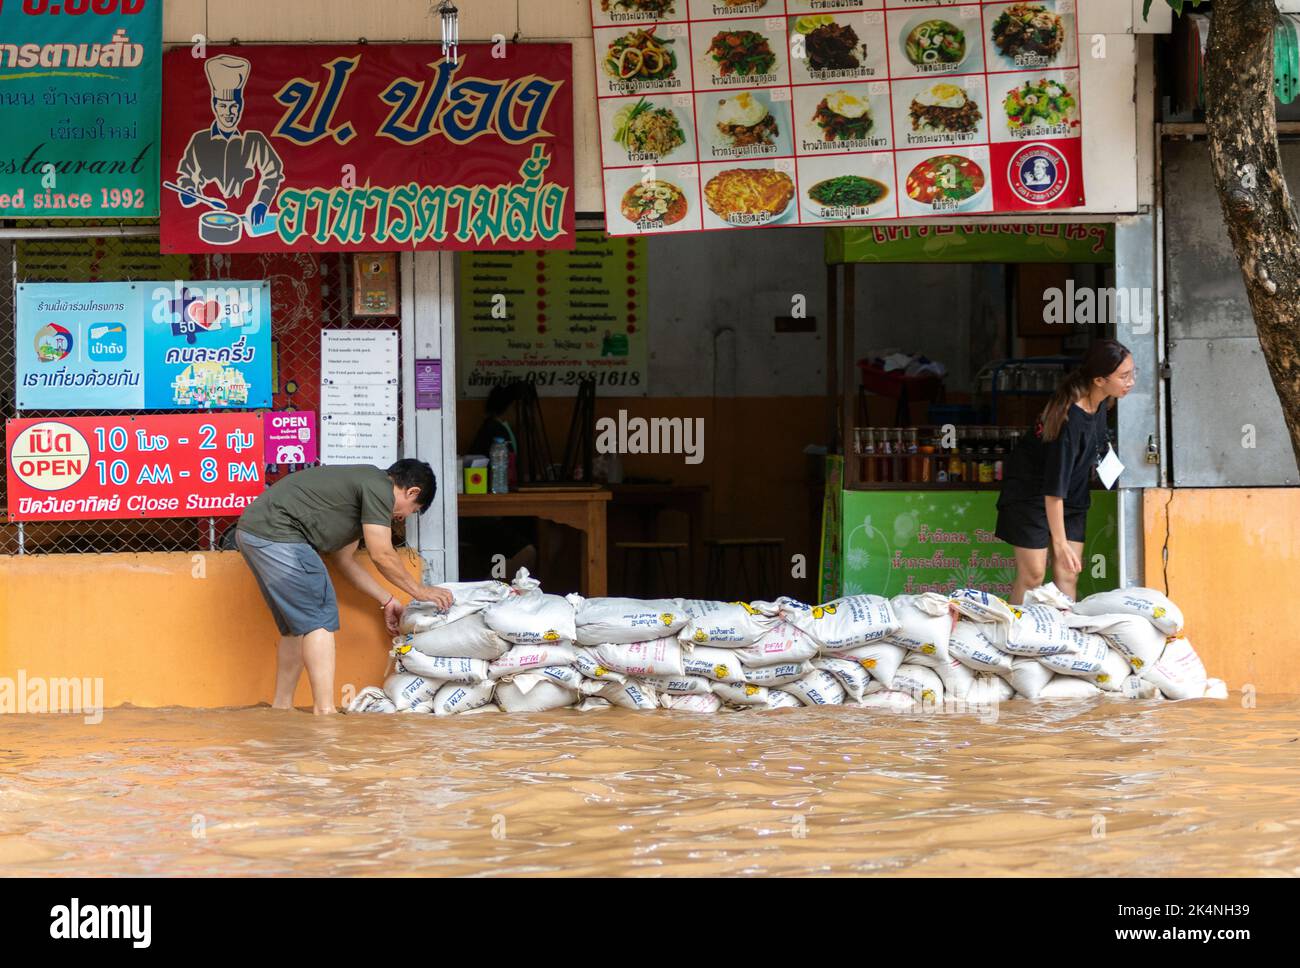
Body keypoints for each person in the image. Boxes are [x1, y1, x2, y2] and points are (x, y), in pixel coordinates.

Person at [235, 459, 453, 715]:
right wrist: (420, 591)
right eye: (412, 510)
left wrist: (387, 599)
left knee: (295, 627)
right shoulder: (379, 486)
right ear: (412, 492)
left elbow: (343, 561)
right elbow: (381, 553)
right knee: (321, 618)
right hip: (278, 534)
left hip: (255, 533)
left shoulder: (363, 493)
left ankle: (282, 708)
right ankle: (325, 710)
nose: (402, 517)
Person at [995, 339, 1134, 604]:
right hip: (1032, 495)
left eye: (1132, 373)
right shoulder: (1069, 421)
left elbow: (1099, 449)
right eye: (1124, 376)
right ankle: (1011, 637)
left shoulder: (1103, 402)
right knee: (1033, 576)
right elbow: (1052, 492)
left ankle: (1064, 637)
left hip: (1071, 495)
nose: (1131, 382)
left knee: (1068, 574)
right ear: (1100, 380)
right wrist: (1058, 544)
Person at [463, 383, 537, 576]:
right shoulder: (495, 432)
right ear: (512, 407)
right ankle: (493, 587)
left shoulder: (497, 428)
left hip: (491, 512)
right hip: (485, 513)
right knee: (527, 551)